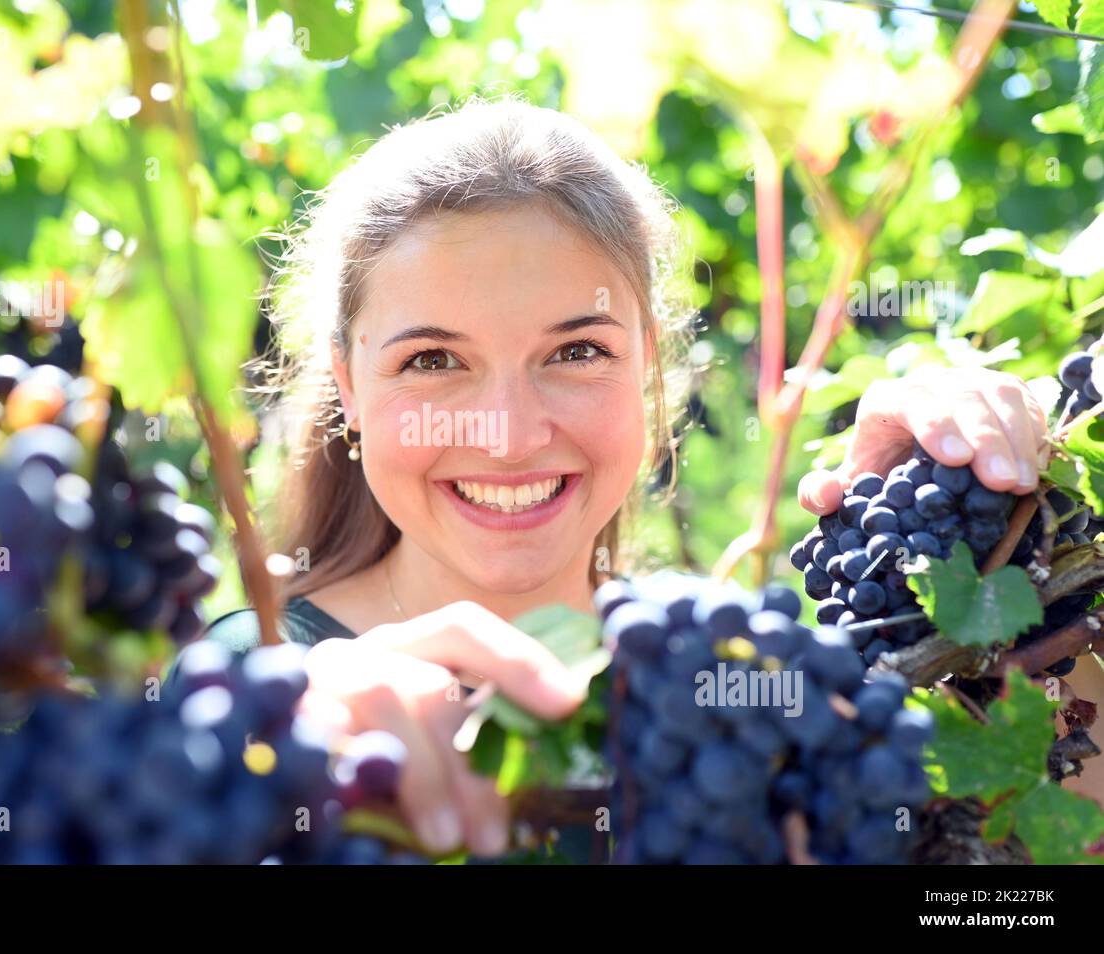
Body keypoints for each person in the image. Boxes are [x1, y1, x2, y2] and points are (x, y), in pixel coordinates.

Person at [201, 94, 1051, 858]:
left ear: (650, 371)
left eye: (576, 352)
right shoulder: (259, 689)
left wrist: (1001, 531)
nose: (507, 437)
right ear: (349, 387)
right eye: (432, 360)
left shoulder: (740, 692)